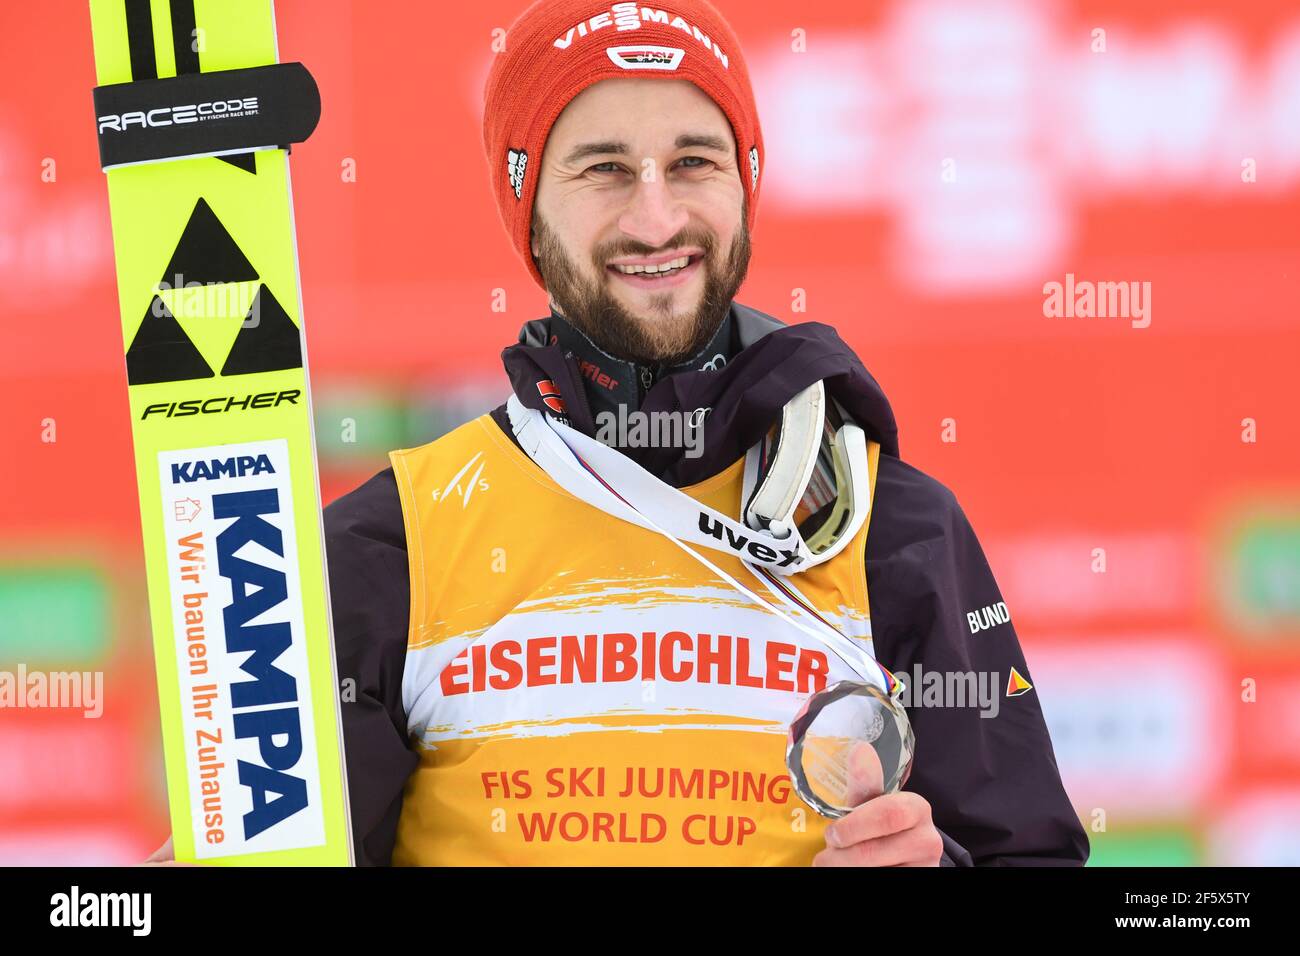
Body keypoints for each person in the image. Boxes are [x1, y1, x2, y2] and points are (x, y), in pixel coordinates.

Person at [323, 0, 1089, 867]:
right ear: (528, 210)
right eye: (604, 168)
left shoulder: (894, 528)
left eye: (693, 161)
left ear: (745, 181)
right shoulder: (392, 546)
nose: (656, 219)